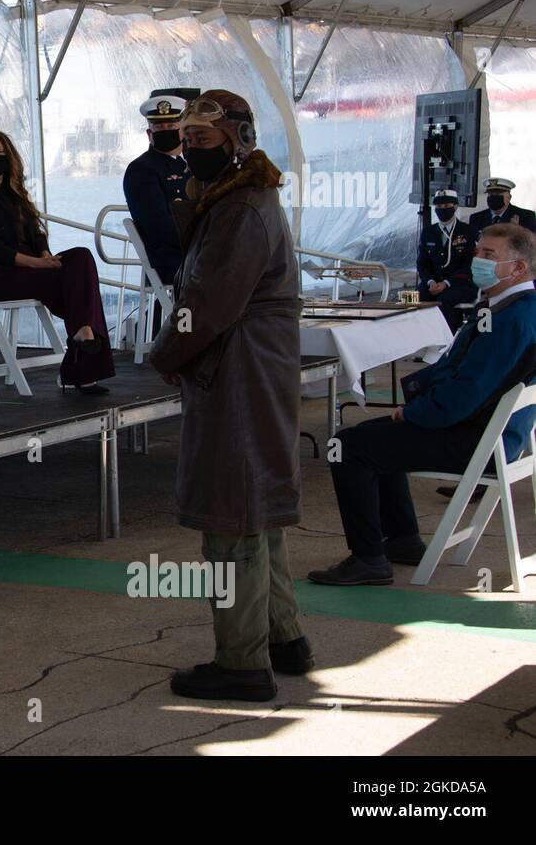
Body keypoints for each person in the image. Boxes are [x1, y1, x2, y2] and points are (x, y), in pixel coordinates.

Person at [147, 90, 309, 702]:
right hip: (253, 369)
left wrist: (166, 356)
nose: (190, 148)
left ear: (240, 138)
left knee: (232, 515)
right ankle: (284, 639)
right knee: (258, 506)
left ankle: (242, 664)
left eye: (203, 140)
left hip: (237, 371)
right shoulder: (242, 197)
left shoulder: (241, 208)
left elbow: (208, 304)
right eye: (186, 139)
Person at [312, 224, 536, 586]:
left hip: (478, 441)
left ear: (519, 268)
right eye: (478, 252)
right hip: (493, 433)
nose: (477, 260)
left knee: (347, 447)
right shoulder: (515, 306)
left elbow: (464, 393)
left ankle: (369, 558)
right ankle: (402, 540)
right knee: (370, 436)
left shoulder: (508, 319)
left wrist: (414, 412)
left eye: (489, 256)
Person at [0, 129, 114, 392]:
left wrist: (44, 256)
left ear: (9, 158)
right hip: (7, 275)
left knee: (81, 257)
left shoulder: (17, 196)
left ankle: (83, 332)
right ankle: (82, 366)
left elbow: (37, 234)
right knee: (77, 282)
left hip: (36, 270)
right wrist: (37, 264)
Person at [122, 87, 198, 329]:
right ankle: (188, 338)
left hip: (196, 251)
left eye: (171, 126)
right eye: (159, 127)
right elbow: (158, 226)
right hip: (171, 256)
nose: (166, 131)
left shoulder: (193, 166)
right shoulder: (142, 170)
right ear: (149, 133)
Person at [417, 189, 477, 332]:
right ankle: (420, 337)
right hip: (433, 283)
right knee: (412, 299)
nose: (441, 210)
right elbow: (422, 263)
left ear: (455, 207)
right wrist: (430, 281)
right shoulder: (428, 232)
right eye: (438, 207)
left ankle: (447, 338)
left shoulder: (468, 231)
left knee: (445, 300)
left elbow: (469, 264)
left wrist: (446, 283)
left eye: (446, 206)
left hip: (460, 284)